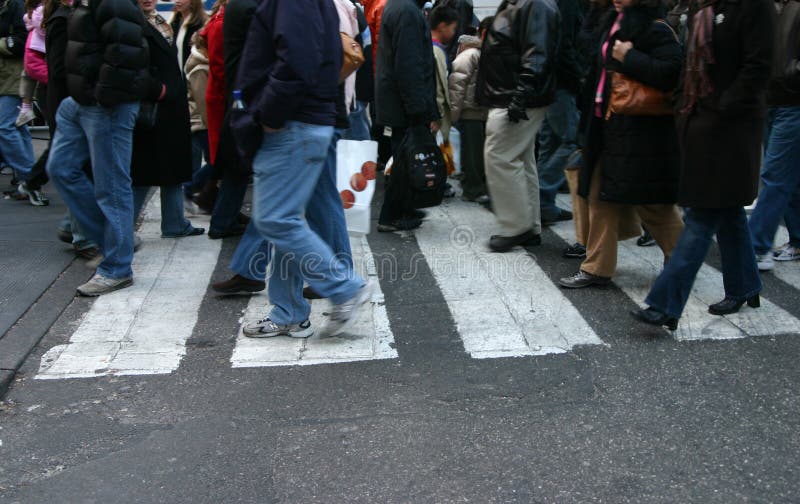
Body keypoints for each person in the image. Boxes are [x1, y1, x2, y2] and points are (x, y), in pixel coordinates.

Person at [632, 0, 775, 330]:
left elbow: (758, 66)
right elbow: (689, 66)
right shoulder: (701, 7)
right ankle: (744, 286)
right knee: (726, 212)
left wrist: (723, 108)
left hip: (731, 128)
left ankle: (664, 303)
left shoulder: (753, 7)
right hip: (700, 123)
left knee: (701, 215)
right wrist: (685, 108)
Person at [234, 0, 372, 338]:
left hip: (294, 122)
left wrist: (268, 114)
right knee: (287, 219)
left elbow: (298, 61)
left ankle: (345, 287)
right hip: (301, 120)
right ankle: (289, 311)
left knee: (276, 219)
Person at [559, 0, 685, 288]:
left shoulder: (655, 28)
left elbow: (672, 72)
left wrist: (630, 58)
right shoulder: (612, 20)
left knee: (652, 203)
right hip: (607, 125)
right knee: (598, 195)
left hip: (640, 130)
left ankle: (681, 259)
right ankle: (596, 267)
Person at [46, 0, 149, 296]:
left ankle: (117, 266)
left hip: (104, 104)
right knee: (61, 168)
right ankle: (115, 243)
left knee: (112, 187)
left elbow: (126, 50)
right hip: (84, 101)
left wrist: (101, 96)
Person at [476, 0, 560, 253]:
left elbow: (537, 53)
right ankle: (528, 225)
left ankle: (515, 226)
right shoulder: (528, 3)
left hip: (516, 95)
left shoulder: (535, 4)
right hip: (516, 94)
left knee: (500, 156)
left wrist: (521, 95)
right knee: (520, 159)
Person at [131, 0, 204, 238]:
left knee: (171, 167)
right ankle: (124, 226)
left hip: (169, 105)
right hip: (154, 106)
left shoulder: (160, 21)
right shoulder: (136, 22)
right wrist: (159, 90)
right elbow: (135, 66)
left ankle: (174, 222)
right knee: (144, 171)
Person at [375, 0, 439, 233]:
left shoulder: (400, 7)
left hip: (397, 101)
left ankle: (405, 208)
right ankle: (391, 215)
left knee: (404, 157)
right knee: (404, 160)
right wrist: (418, 109)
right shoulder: (406, 11)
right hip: (403, 105)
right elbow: (409, 65)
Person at [747, 0, 800, 271]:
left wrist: (791, 73)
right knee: (788, 177)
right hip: (773, 98)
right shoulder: (771, 6)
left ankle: (756, 246)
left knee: (775, 175)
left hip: (793, 100)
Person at [537, 0, 584, 226]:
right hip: (561, 82)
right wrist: (578, 79)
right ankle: (542, 196)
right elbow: (564, 44)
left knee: (551, 141)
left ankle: (543, 203)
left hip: (549, 81)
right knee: (571, 140)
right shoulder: (566, 4)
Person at [448, 16, 491, 204]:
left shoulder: (483, 53)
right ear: (483, 33)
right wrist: (454, 115)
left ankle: (476, 185)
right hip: (471, 110)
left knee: (477, 151)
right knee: (473, 153)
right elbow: (457, 85)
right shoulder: (471, 54)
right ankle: (473, 188)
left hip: (481, 110)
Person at [0, 0, 35, 200]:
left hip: (16, 77)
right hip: (7, 77)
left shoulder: (15, 6)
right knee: (18, 126)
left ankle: (30, 178)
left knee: (5, 127)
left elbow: (22, 41)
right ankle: (27, 177)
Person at [184, 33, 212, 200]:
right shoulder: (200, 68)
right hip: (202, 123)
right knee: (216, 162)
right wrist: (212, 127)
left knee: (215, 162)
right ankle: (190, 187)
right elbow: (203, 103)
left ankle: (203, 194)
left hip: (201, 122)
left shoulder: (201, 64)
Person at [430, 5, 458, 143]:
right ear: (442, 26)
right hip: (436, 120)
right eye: (453, 28)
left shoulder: (426, 45)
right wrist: (438, 116)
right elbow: (439, 89)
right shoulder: (436, 51)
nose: (454, 33)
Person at [15, 0, 45, 128]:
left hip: (36, 50)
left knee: (28, 73)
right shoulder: (40, 12)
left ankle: (26, 107)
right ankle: (26, 107)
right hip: (37, 50)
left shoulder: (37, 13)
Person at [171, 0, 207, 76]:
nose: (177, 1)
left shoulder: (201, 24)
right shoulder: (174, 23)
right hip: (178, 77)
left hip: (194, 76)